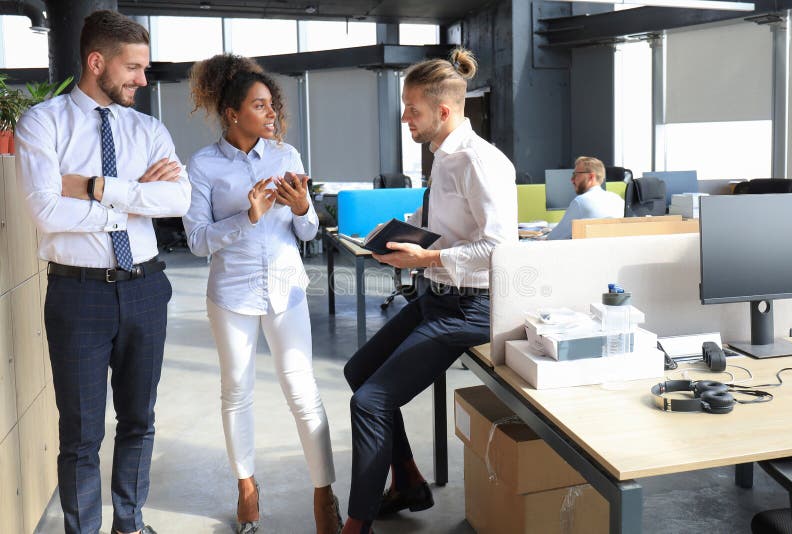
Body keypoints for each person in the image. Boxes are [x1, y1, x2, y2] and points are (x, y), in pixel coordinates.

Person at [14, 10, 190, 534]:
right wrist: (133, 202)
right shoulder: (42, 124)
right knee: (81, 434)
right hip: (78, 295)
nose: (143, 79)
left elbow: (178, 199)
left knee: (139, 420)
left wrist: (97, 188)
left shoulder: (149, 130)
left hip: (146, 288)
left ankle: (129, 524)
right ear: (97, 63)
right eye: (133, 68)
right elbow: (46, 210)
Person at [341, 48, 518, 534]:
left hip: (473, 307)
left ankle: (355, 525)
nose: (405, 118)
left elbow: (500, 247)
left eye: (411, 109)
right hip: (438, 298)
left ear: (442, 110)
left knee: (369, 402)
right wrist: (396, 233)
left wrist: (427, 259)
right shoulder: (443, 157)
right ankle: (408, 480)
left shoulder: (480, 162)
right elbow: (442, 221)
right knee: (358, 372)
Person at [182, 54, 341, 534]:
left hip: (286, 289)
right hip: (231, 294)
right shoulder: (204, 165)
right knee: (237, 391)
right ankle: (246, 486)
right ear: (233, 113)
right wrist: (247, 217)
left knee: (303, 390)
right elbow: (197, 241)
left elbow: (307, 233)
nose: (272, 113)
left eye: (272, 104)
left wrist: (303, 208)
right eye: (260, 105)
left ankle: (324, 493)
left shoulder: (286, 156)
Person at [546, 156, 624, 240]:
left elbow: (553, 238)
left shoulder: (580, 202)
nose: (572, 180)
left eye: (575, 175)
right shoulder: (618, 200)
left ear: (591, 177)